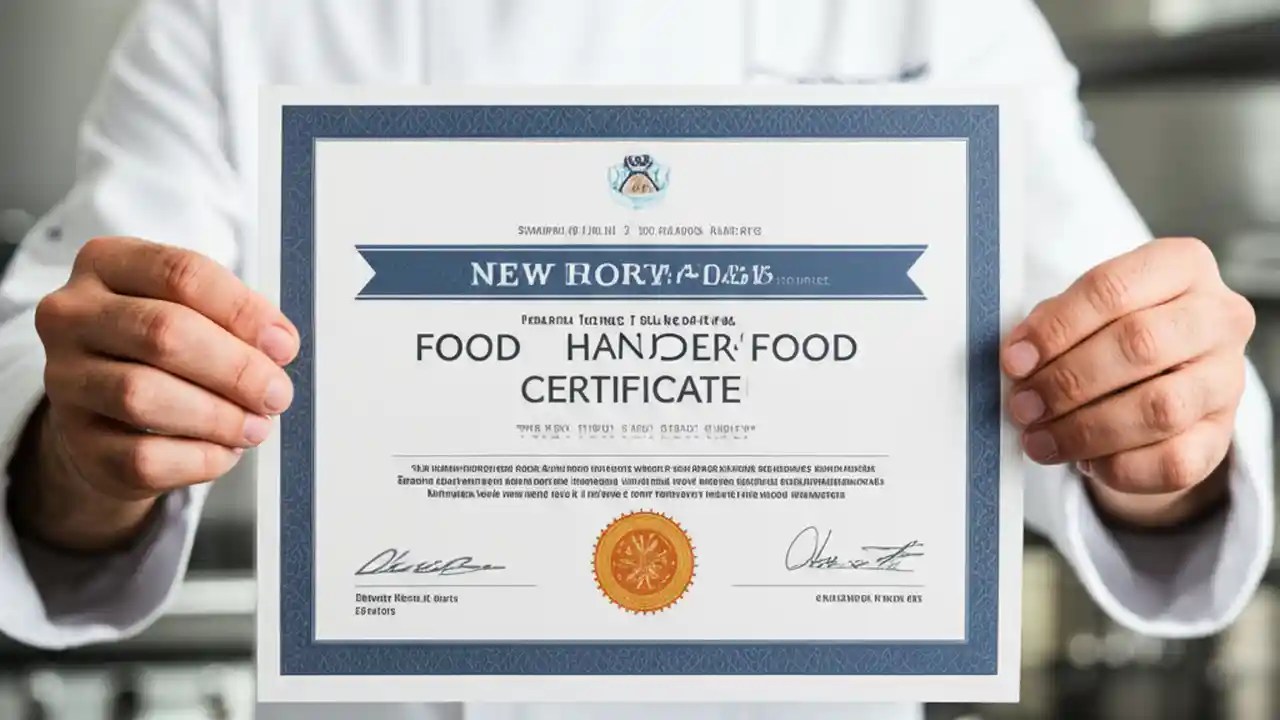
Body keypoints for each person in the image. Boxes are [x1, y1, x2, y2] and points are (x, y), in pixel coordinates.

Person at [0, 1, 1273, 718]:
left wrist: (1157, 423)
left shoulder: (936, 14)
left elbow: (1138, 410)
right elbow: (59, 438)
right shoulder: (226, 22)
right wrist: (86, 441)